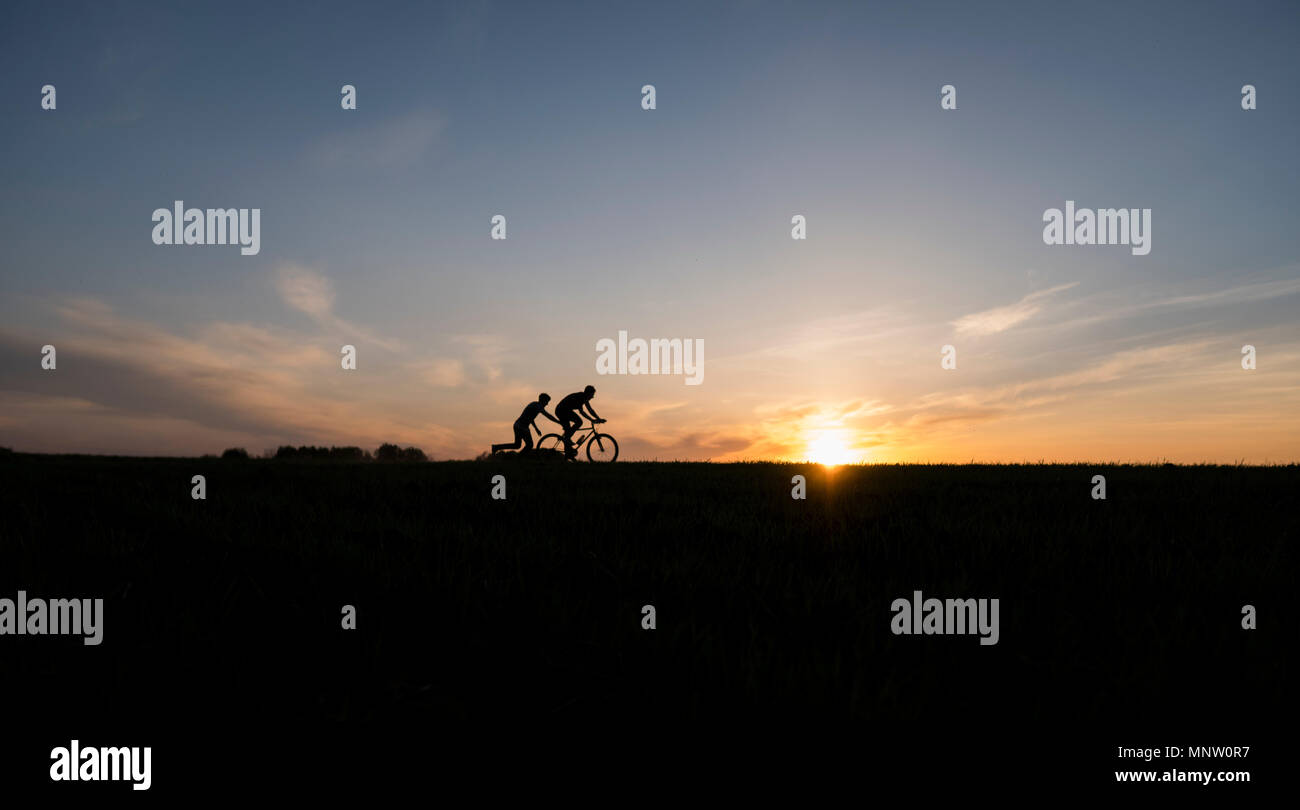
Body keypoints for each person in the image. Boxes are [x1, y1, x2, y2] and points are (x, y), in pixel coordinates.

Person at [491, 394, 561, 454]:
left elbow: (530, 418)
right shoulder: (537, 406)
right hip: (520, 427)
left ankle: (496, 447)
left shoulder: (535, 405)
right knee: (529, 445)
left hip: (520, 426)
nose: (547, 404)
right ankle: (519, 458)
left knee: (517, 445)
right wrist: (558, 422)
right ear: (543, 401)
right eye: (547, 402)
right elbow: (548, 415)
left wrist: (536, 429)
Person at [555, 385, 604, 459]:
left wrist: (596, 418)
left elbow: (588, 410)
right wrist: (595, 419)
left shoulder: (583, 397)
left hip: (564, 410)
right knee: (579, 422)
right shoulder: (581, 397)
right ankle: (567, 442)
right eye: (592, 395)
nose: (592, 397)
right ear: (588, 393)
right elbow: (585, 411)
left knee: (568, 433)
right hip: (561, 410)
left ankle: (568, 453)